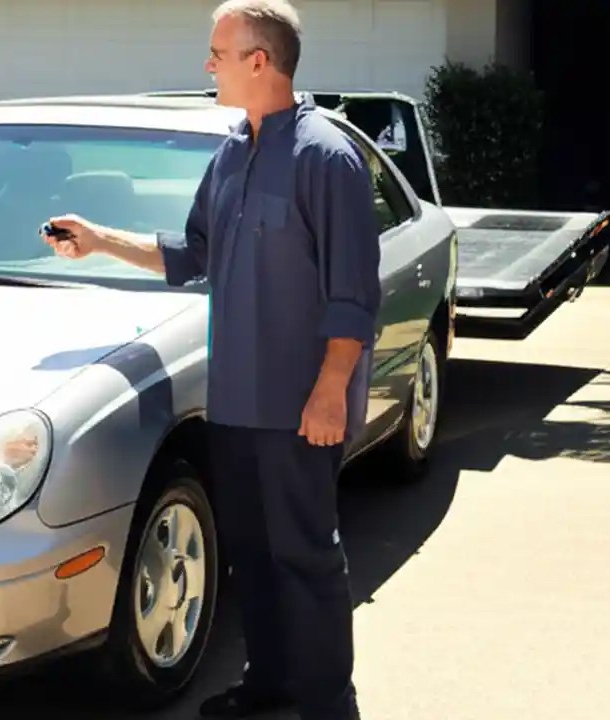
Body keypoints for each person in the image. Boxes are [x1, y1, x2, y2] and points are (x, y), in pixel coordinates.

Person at [41, 1, 378, 719]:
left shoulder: (327, 156)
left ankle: (328, 704)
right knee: (252, 556)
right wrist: (100, 239)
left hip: (299, 407)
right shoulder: (231, 150)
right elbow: (193, 252)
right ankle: (271, 685)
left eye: (218, 53)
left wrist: (330, 390)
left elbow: (352, 293)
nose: (208, 65)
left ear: (261, 61)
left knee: (307, 558)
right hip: (234, 403)